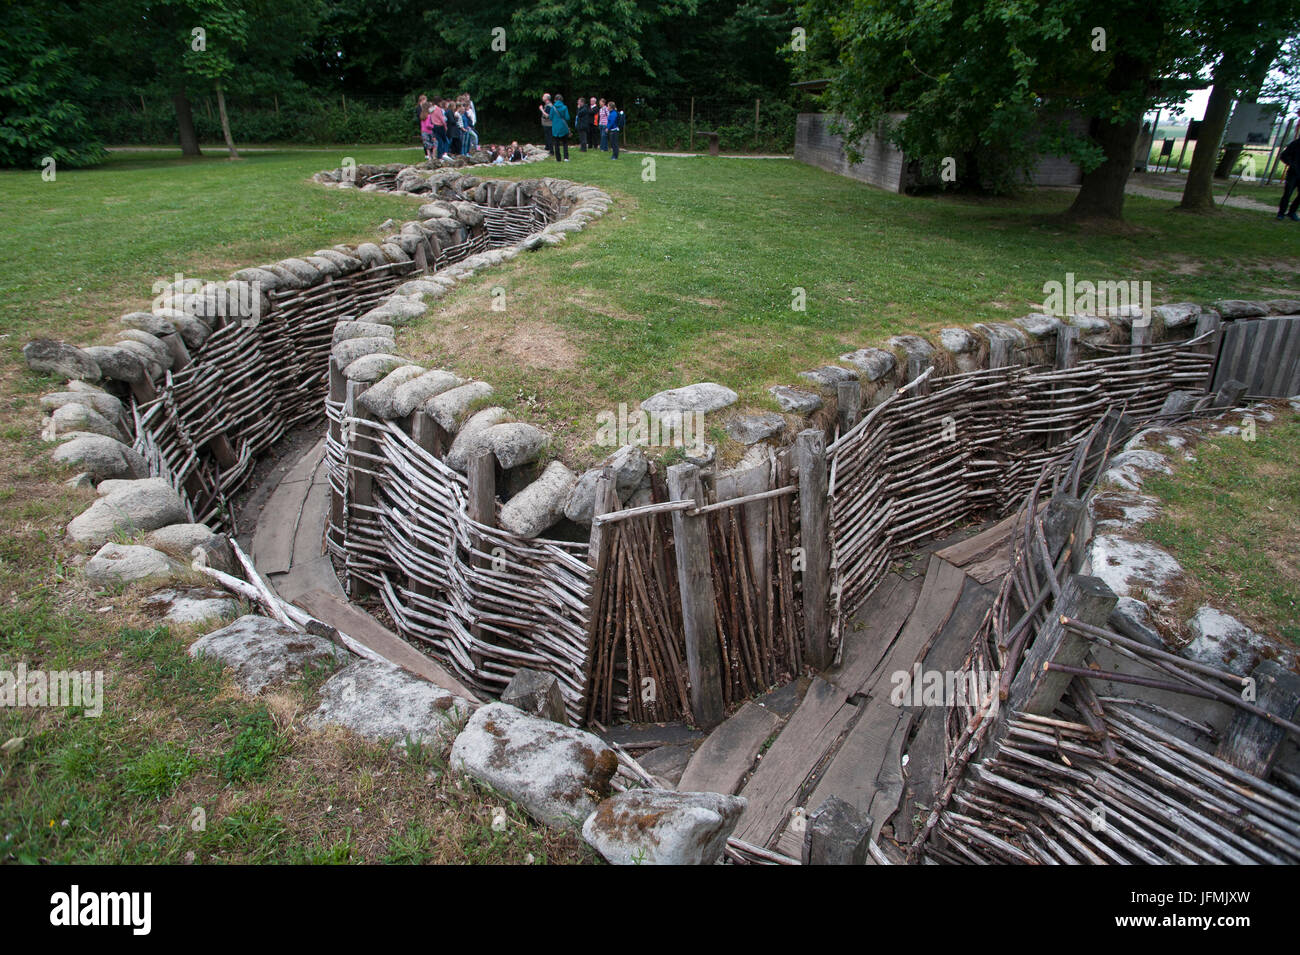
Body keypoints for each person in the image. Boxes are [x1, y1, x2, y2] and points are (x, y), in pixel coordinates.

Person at [1277, 137, 1300, 221]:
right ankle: (1281, 213)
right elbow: (1283, 156)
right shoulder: (1295, 144)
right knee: (1287, 193)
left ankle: (1292, 212)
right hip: (1293, 174)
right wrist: (1292, 164)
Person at [551, 93, 571, 162]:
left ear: (555, 99)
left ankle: (558, 158)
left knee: (556, 144)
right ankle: (566, 157)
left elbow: (550, 117)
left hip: (555, 128)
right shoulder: (564, 107)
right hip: (563, 127)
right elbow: (567, 117)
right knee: (565, 143)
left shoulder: (553, 108)